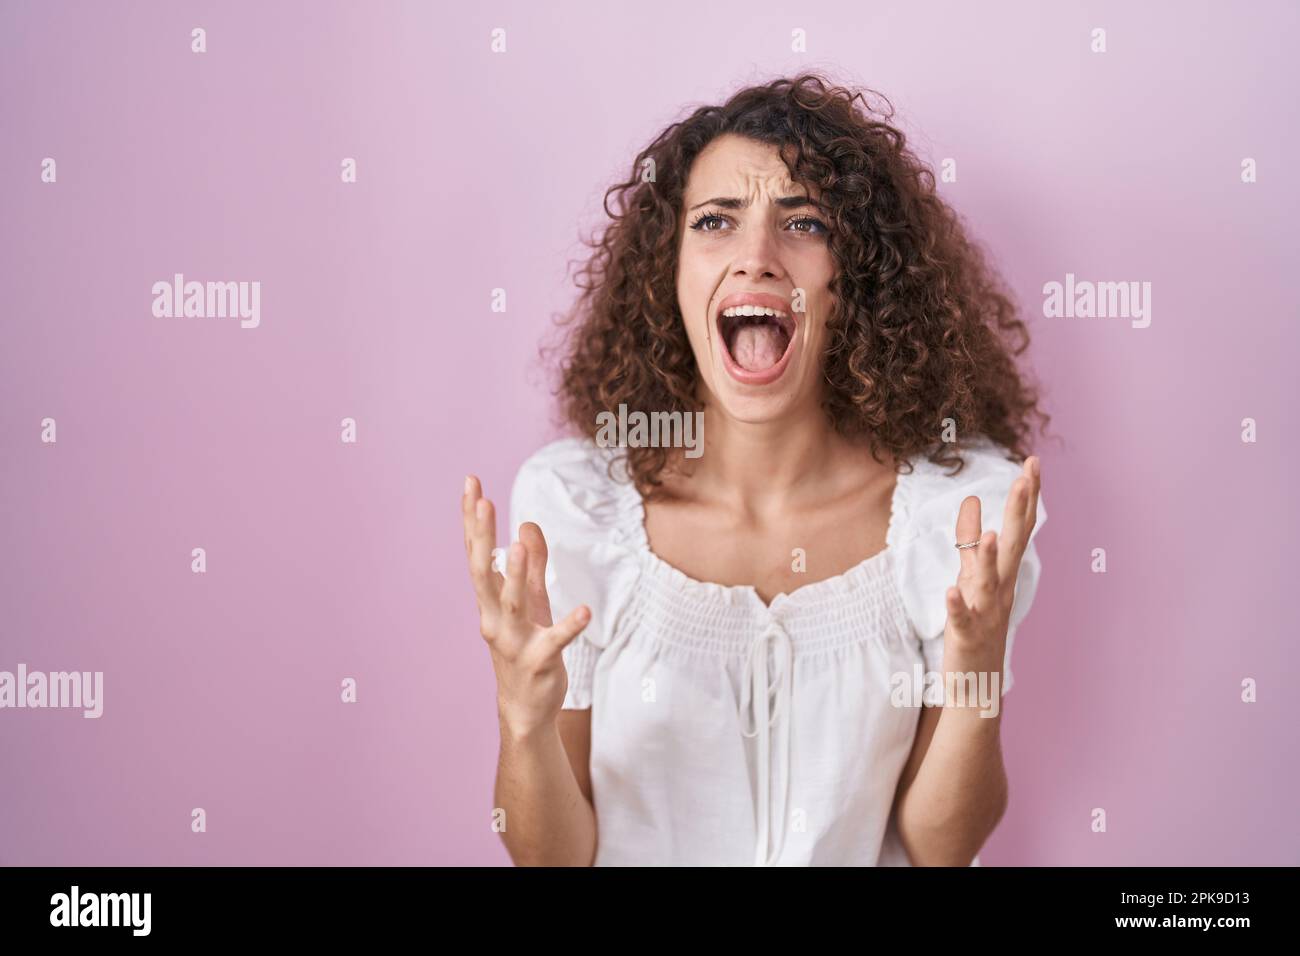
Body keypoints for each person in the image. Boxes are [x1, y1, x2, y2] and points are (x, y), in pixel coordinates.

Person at [463, 73, 1050, 866]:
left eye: (803, 222)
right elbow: (551, 857)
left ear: (855, 280)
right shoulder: (575, 509)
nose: (756, 258)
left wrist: (977, 675)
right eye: (715, 222)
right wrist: (523, 721)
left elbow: (941, 847)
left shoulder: (958, 520)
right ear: (668, 276)